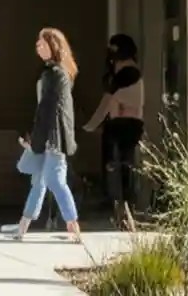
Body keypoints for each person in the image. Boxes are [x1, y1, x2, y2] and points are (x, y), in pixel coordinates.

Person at [8, 27, 82, 243]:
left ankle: (74, 227)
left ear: (53, 46)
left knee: (54, 180)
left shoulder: (55, 74)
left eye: (42, 43)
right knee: (39, 181)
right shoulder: (56, 72)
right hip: (49, 136)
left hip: (52, 138)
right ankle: (22, 228)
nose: (37, 46)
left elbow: (49, 110)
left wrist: (37, 140)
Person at [83, 33, 144, 229]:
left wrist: (90, 125)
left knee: (118, 167)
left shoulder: (126, 73)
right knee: (124, 167)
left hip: (121, 125)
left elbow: (107, 102)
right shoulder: (130, 71)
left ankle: (121, 209)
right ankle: (124, 211)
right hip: (129, 125)